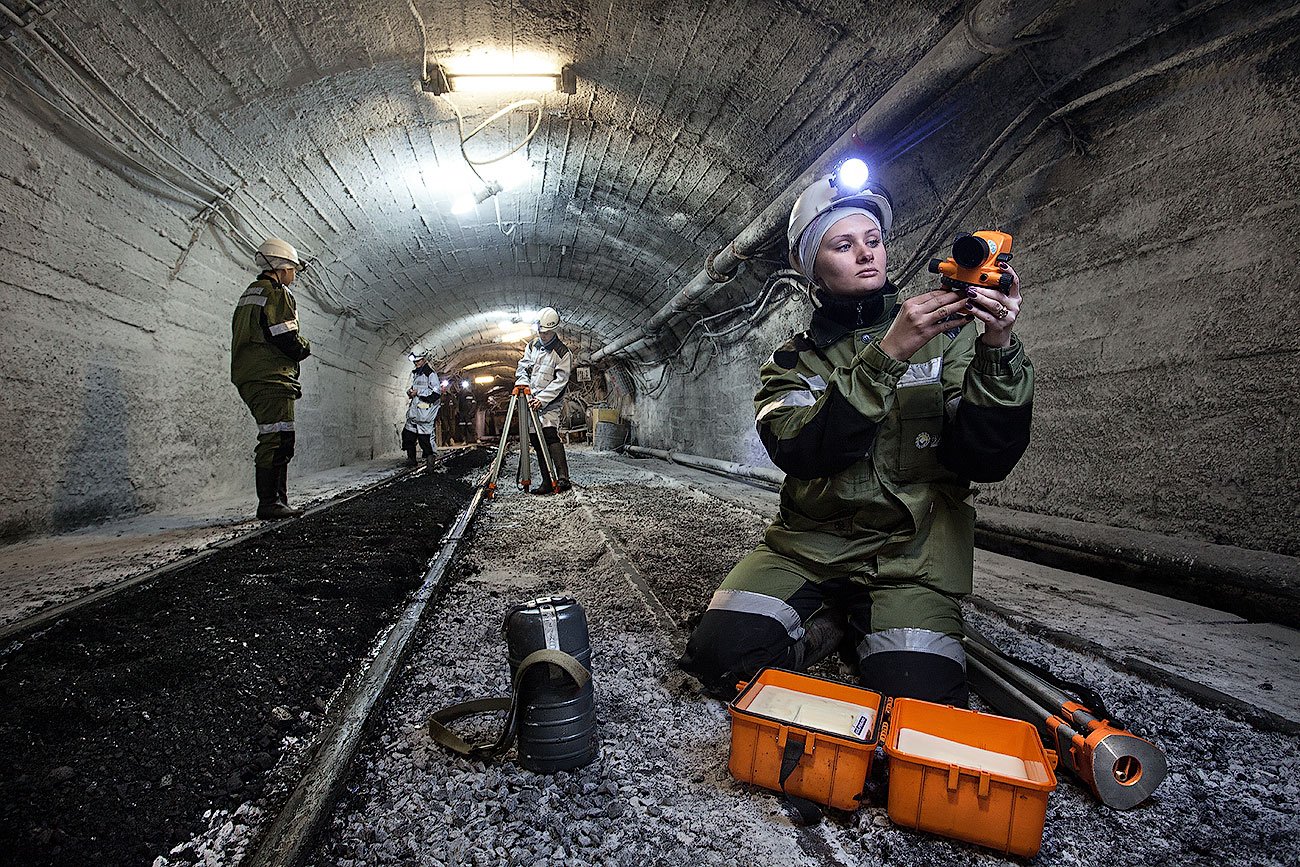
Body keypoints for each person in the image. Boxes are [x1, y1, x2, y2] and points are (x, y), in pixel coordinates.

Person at [679, 163, 1034, 707]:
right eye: (843, 245)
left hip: (911, 557)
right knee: (719, 661)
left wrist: (997, 347)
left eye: (873, 240)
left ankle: (856, 625)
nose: (866, 254)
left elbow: (986, 458)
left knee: (921, 707)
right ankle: (835, 622)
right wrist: (887, 354)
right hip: (809, 546)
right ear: (812, 270)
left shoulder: (950, 338)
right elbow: (805, 452)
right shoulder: (791, 364)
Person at [230, 237, 313, 520]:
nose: (294, 275)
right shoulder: (277, 293)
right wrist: (304, 347)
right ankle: (270, 503)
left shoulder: (250, 294)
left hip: (250, 375)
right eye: (293, 270)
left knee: (274, 436)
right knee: (278, 439)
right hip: (272, 378)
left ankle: (277, 501)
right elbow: (285, 336)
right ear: (283, 268)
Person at [515, 307, 573, 493]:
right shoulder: (532, 346)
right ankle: (547, 482)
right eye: (540, 332)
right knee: (535, 438)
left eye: (546, 333)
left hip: (550, 402)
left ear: (554, 330)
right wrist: (523, 386)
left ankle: (563, 479)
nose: (543, 335)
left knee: (548, 434)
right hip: (531, 401)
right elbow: (523, 368)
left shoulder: (562, 353)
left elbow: (560, 381)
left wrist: (542, 399)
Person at [403, 350, 441, 471]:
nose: (416, 363)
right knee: (408, 436)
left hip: (425, 414)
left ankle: (430, 463)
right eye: (415, 362)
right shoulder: (416, 374)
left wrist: (418, 392)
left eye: (418, 361)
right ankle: (411, 459)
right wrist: (410, 392)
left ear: (424, 360)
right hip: (414, 413)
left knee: (425, 440)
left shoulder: (430, 374)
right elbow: (412, 388)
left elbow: (436, 393)